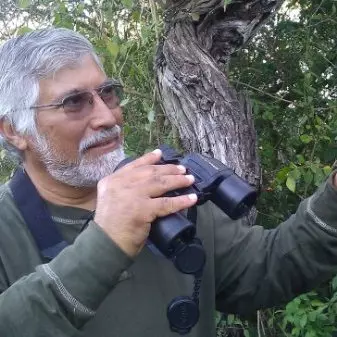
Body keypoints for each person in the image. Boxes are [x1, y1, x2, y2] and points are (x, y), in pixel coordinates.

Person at [0, 27, 336, 337]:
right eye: (74, 102)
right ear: (14, 130)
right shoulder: (7, 227)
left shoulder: (164, 189)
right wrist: (107, 241)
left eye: (108, 93)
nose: (107, 117)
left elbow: (263, 270)